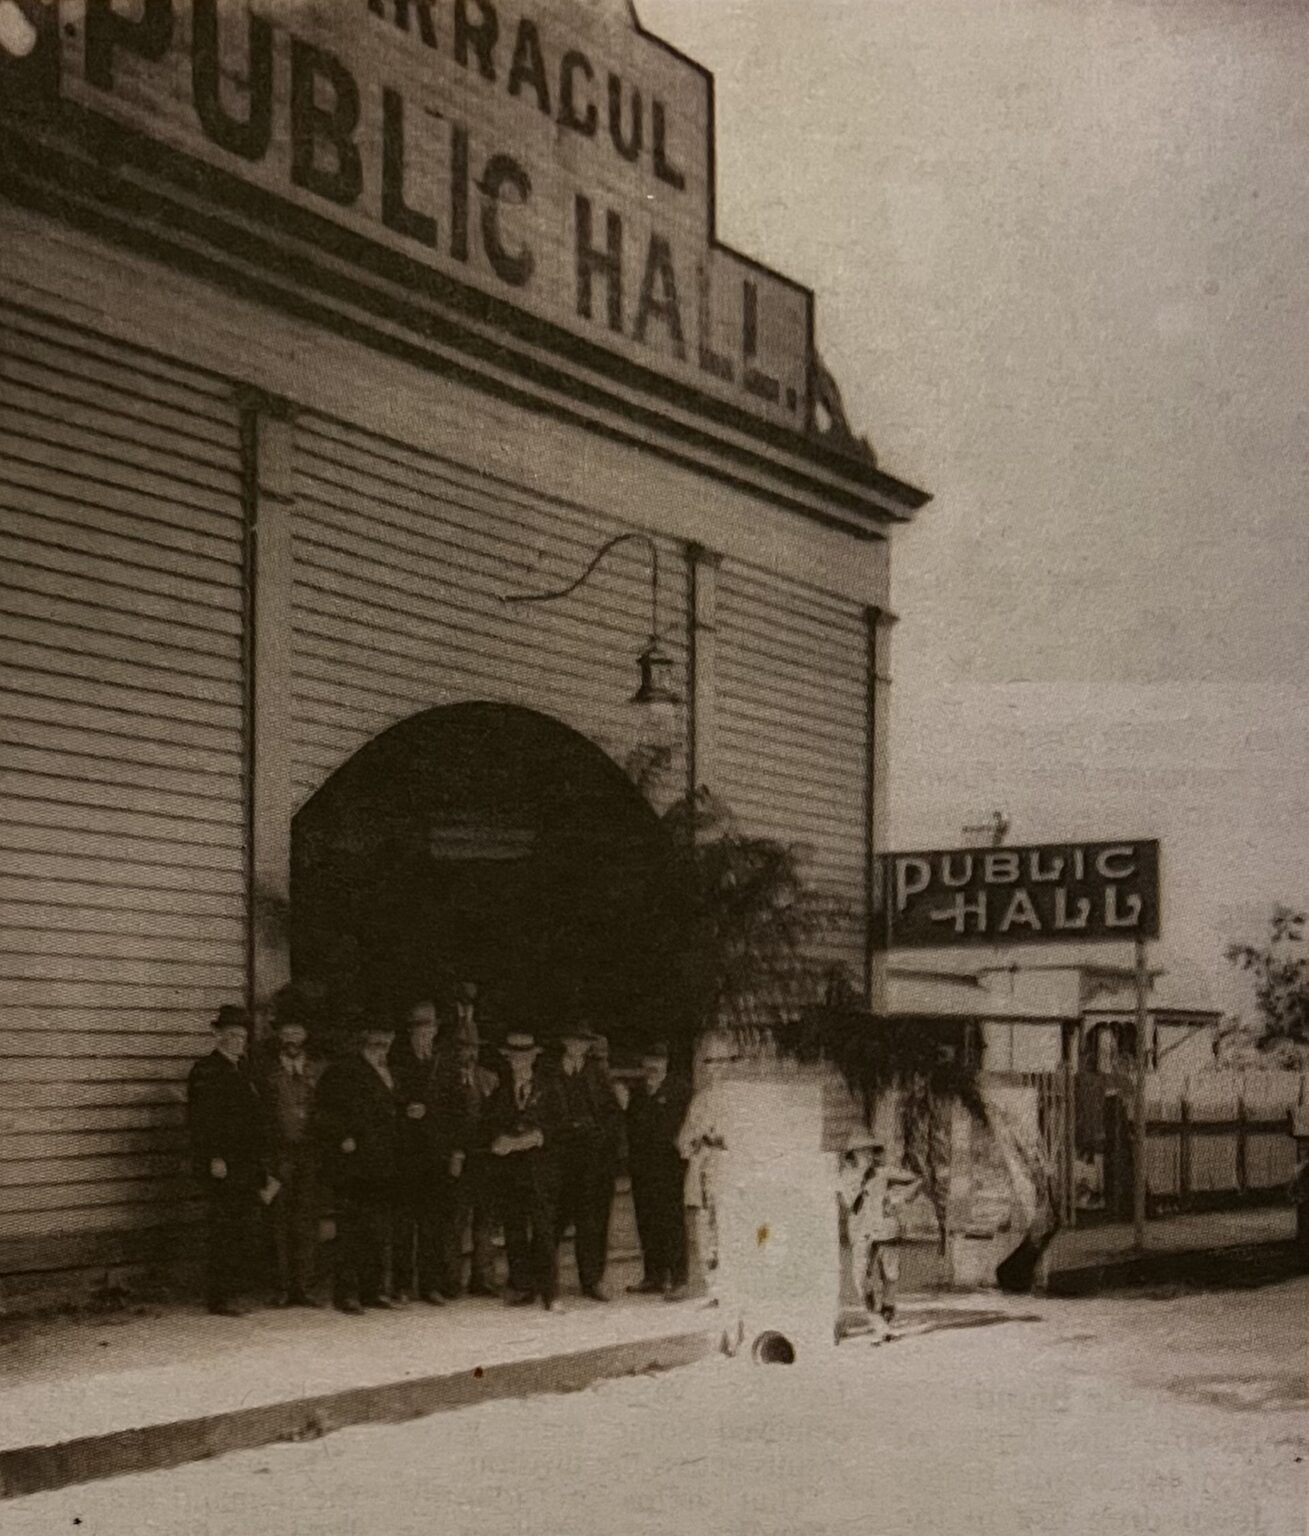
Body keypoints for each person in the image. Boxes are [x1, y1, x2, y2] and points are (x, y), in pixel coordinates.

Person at [315, 1017, 401, 1315]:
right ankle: (347, 1293)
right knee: (351, 1228)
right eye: (377, 1041)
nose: (382, 1047)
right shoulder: (343, 1072)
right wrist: (343, 1137)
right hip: (354, 1165)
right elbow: (324, 1113)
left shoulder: (392, 1072)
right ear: (365, 1040)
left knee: (378, 1229)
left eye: (387, 1041)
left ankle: (373, 1290)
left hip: (384, 1164)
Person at [186, 1004, 268, 1317]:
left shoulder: (247, 1069)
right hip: (222, 1162)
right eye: (230, 1034)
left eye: (241, 1036)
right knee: (224, 1228)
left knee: (244, 1226)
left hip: (247, 1161)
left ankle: (237, 1289)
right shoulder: (205, 1070)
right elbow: (201, 1120)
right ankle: (220, 1297)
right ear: (217, 1035)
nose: (236, 1040)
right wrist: (214, 1157)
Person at [484, 1032, 563, 1312]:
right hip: (510, 1173)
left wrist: (522, 1141)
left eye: (524, 1056)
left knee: (543, 1231)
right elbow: (489, 1126)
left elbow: (557, 1128)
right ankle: (522, 1287)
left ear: (533, 1058)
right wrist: (497, 1142)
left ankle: (551, 1293)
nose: (518, 1061)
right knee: (514, 1230)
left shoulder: (550, 1089)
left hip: (540, 1173)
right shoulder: (501, 1092)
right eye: (513, 1057)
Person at [257, 993, 324, 1308]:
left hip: (309, 1155)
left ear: (306, 1036)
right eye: (286, 1033)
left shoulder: (318, 1071)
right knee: (278, 1222)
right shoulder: (265, 1072)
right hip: (279, 1155)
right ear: (278, 1037)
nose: (292, 1039)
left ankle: (306, 1286)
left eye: (297, 1033)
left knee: (307, 1221)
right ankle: (281, 1287)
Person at [540, 1026, 611, 1301]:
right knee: (553, 1220)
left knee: (589, 1221)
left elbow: (608, 1111)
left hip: (589, 1156)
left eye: (582, 1042)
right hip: (558, 1154)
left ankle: (591, 1281)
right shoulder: (549, 1070)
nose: (577, 1046)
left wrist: (598, 1136)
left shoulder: (596, 1072)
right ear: (564, 1041)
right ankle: (542, 1279)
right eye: (573, 1040)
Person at [431, 1032, 500, 1297]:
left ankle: (482, 1277)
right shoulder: (444, 1080)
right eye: (462, 1048)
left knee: (486, 1221)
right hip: (459, 1157)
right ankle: (451, 1279)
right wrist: (453, 1152)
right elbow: (441, 1120)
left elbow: (496, 1116)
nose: (468, 1054)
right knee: (455, 1220)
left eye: (472, 1048)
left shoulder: (489, 1079)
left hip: (485, 1158)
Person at [389, 1000, 447, 1306]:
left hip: (434, 1154)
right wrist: (405, 1110)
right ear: (410, 1033)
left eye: (429, 1029)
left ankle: (430, 1285)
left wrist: (430, 1112)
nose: (423, 1035)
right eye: (418, 1030)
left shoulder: (443, 1064)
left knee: (432, 1224)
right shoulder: (397, 1064)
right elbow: (388, 1102)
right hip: (406, 1154)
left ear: (436, 1032)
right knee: (404, 1224)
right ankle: (402, 1284)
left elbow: (455, 1108)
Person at [625, 1042, 691, 1298]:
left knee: (671, 1221)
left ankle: (679, 1279)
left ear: (666, 1063)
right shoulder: (639, 1091)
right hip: (643, 1165)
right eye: (648, 1061)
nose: (652, 1067)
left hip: (669, 1166)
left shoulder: (680, 1090)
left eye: (657, 1061)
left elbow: (678, 1128)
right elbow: (631, 1124)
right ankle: (653, 1275)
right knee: (647, 1220)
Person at [839, 1132, 922, 1327]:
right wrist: (861, 1176)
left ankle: (888, 1308)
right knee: (860, 1278)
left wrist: (900, 1198)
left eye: (869, 1151)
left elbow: (916, 1179)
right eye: (862, 1152)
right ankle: (872, 1310)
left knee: (891, 1275)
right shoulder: (846, 1177)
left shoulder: (884, 1172)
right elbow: (850, 1202)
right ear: (853, 1155)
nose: (867, 1156)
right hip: (861, 1234)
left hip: (886, 1230)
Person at [676, 1042, 733, 1304]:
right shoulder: (700, 1100)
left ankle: (731, 1286)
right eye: (711, 1063)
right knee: (704, 1230)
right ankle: (713, 1288)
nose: (717, 1068)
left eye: (723, 1062)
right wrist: (694, 1141)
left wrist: (719, 1141)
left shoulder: (740, 1100)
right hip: (702, 1172)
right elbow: (684, 1140)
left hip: (728, 1173)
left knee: (727, 1229)